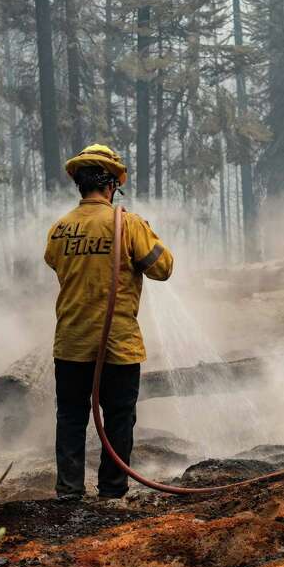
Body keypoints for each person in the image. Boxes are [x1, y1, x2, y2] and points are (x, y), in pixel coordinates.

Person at [44, 144, 174, 501]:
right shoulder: (128, 224)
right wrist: (141, 232)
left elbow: (55, 263)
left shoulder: (60, 229)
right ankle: (112, 492)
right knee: (117, 418)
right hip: (117, 344)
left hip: (70, 341)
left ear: (81, 184)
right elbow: (164, 268)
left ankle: (69, 491)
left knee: (71, 417)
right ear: (112, 185)